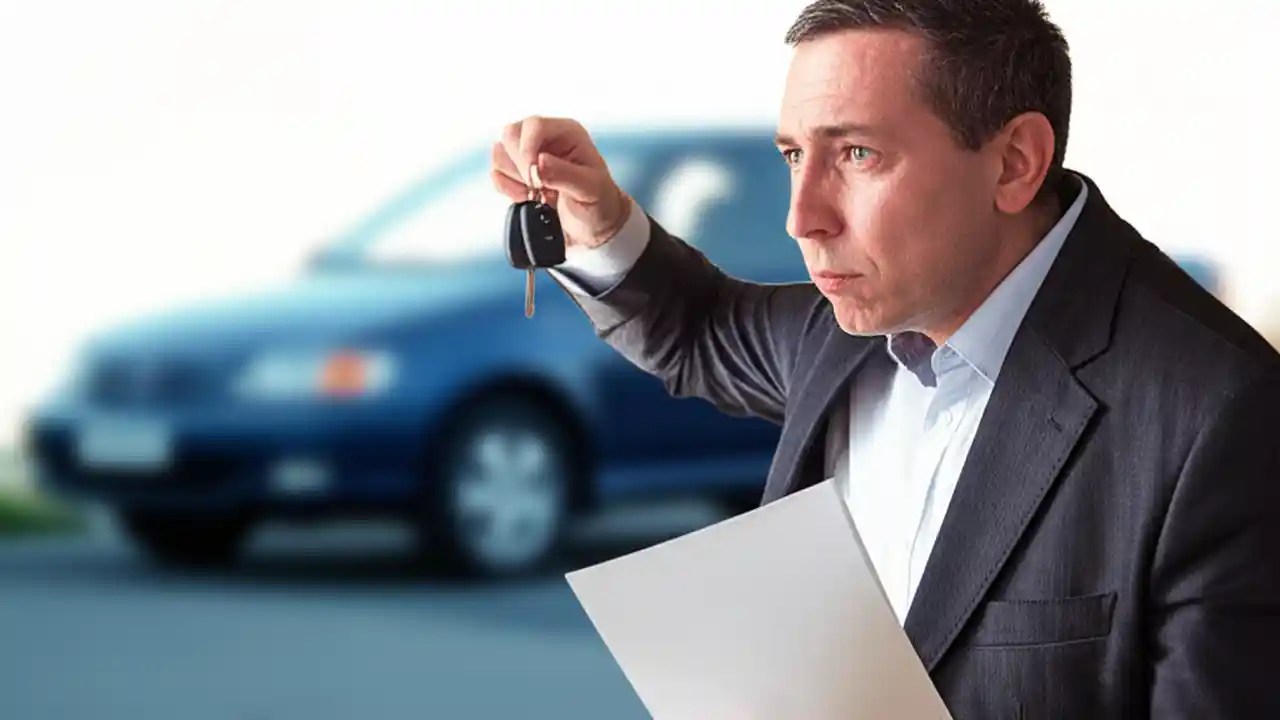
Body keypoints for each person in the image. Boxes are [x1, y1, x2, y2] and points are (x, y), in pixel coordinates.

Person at [490, 0, 1280, 716]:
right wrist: (595, 223)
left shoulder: (1223, 420)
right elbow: (697, 329)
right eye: (795, 155)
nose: (803, 218)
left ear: (1014, 162)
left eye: (858, 154)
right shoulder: (853, 323)